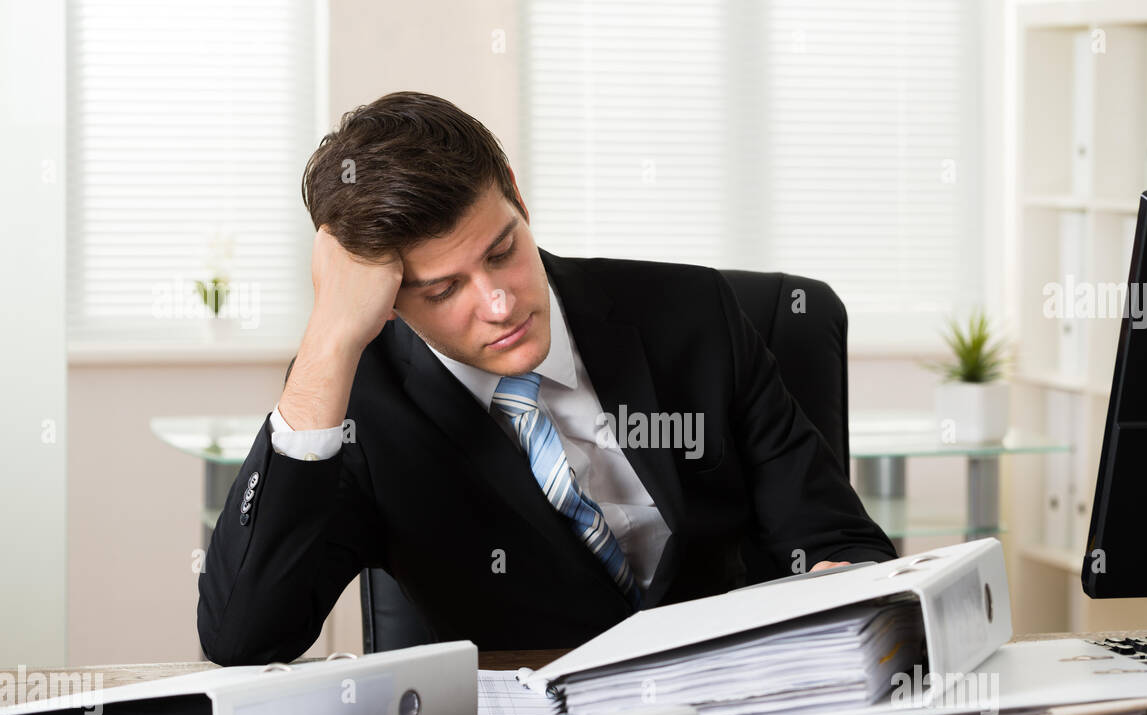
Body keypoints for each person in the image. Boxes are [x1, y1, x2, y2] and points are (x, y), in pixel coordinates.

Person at [197, 91, 895, 665]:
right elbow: (245, 640)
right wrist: (326, 344)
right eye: (443, 291)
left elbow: (841, 545)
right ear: (390, 300)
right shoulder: (361, 406)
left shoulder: (697, 315)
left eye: (502, 252)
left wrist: (839, 593)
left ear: (518, 200)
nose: (498, 303)